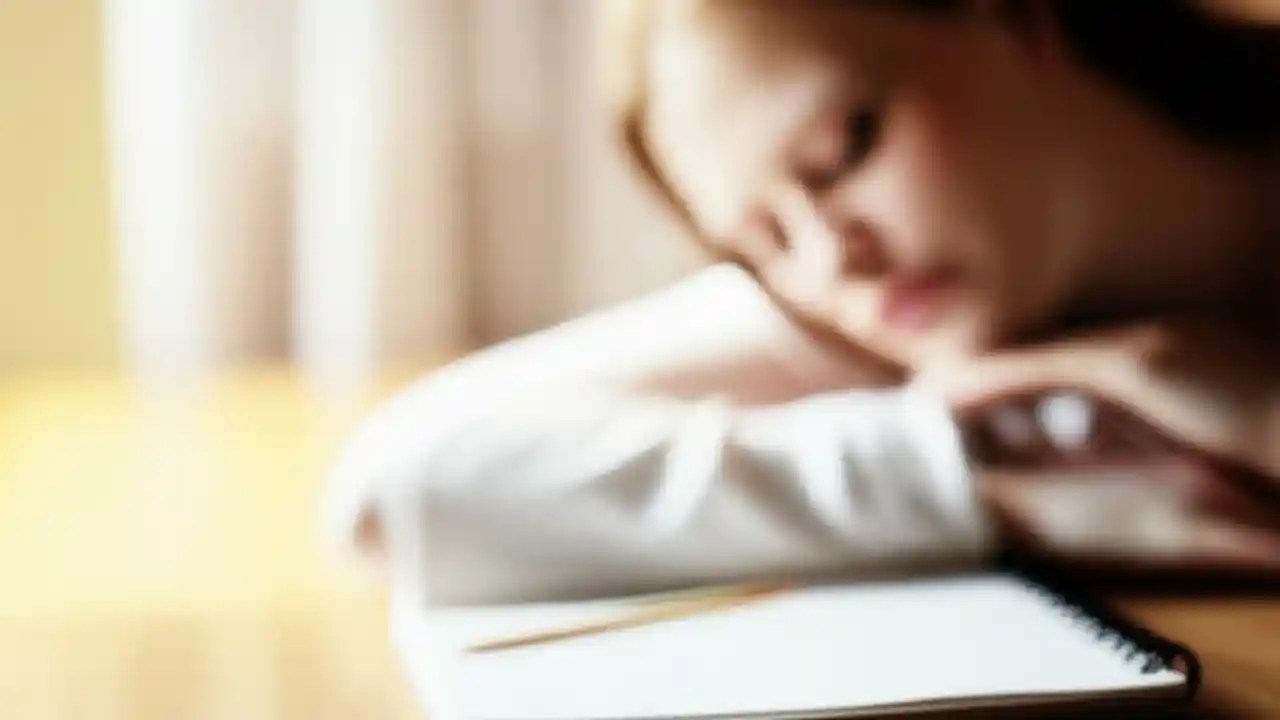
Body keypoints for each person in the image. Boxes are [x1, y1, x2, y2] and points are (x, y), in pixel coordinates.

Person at [327, 1, 1280, 605]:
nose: (832, 261)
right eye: (762, 242)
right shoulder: (860, 318)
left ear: (1015, 20)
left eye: (844, 149)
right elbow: (399, 485)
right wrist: (959, 475)